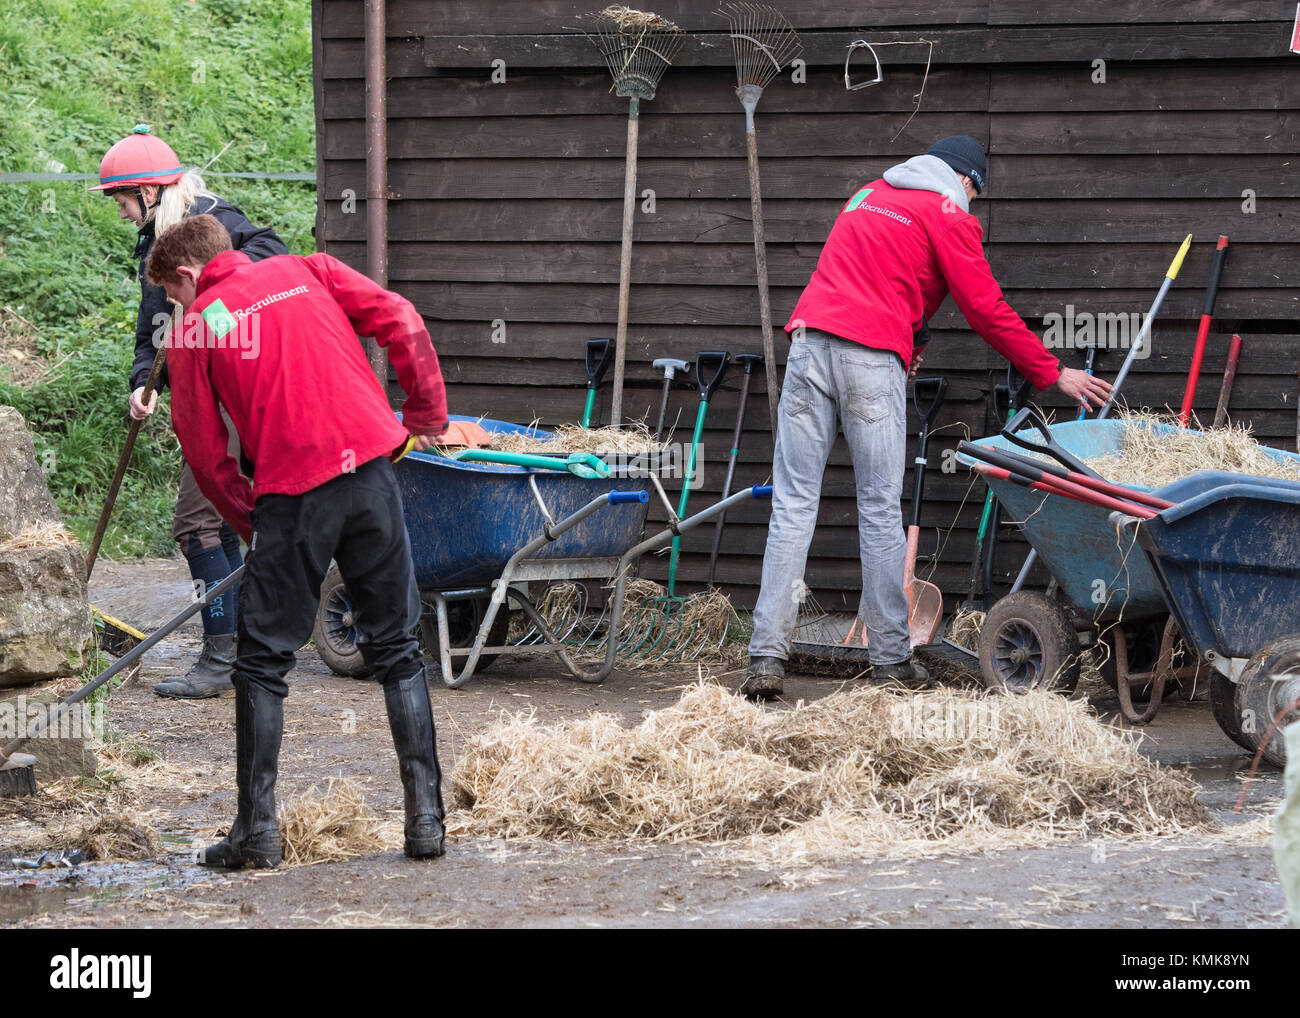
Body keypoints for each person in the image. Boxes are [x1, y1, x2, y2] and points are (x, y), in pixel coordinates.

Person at [742, 135, 1113, 700]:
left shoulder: (866, 195)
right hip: (869, 357)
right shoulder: (947, 212)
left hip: (809, 345)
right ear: (966, 182)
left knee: (793, 502)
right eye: (975, 194)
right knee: (878, 505)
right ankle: (891, 658)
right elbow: (985, 307)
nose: (972, 205)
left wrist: (910, 341)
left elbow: (882, 277)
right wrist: (1050, 372)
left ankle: (766, 656)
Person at [145, 214, 451, 866]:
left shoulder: (194, 328)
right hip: (372, 469)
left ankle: (256, 834)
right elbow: (400, 316)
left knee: (261, 661)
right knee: (396, 646)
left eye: (174, 295)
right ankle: (426, 823)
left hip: (291, 492)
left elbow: (204, 452)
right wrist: (425, 416)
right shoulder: (310, 269)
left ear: (188, 276)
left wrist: (248, 520)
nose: (179, 306)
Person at [92, 124, 288, 699]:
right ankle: (244, 646)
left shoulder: (211, 220)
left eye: (124, 200)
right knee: (222, 523)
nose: (122, 212)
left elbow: (271, 252)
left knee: (195, 523)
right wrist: (142, 382)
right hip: (198, 391)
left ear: (149, 192)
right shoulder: (157, 238)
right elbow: (152, 326)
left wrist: (211, 287)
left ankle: (220, 658)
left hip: (233, 391)